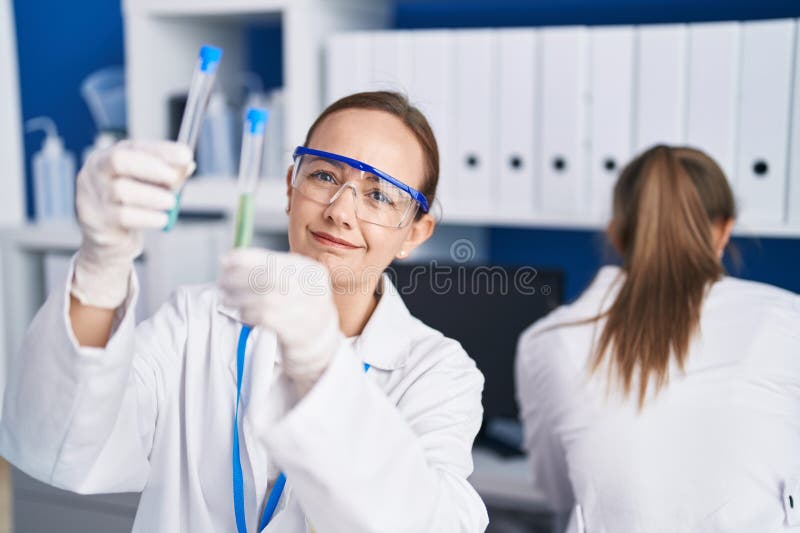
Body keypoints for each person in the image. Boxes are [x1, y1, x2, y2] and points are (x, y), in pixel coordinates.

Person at [0, 91, 489, 532]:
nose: (341, 211)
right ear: (289, 189)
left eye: (379, 195)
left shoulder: (437, 373)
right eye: (324, 175)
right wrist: (100, 263)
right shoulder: (197, 321)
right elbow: (56, 447)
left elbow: (436, 522)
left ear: (415, 233)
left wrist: (321, 367)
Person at [516, 145, 800, 532]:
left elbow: (558, 491)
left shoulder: (550, 341)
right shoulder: (786, 320)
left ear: (616, 234)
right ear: (724, 230)